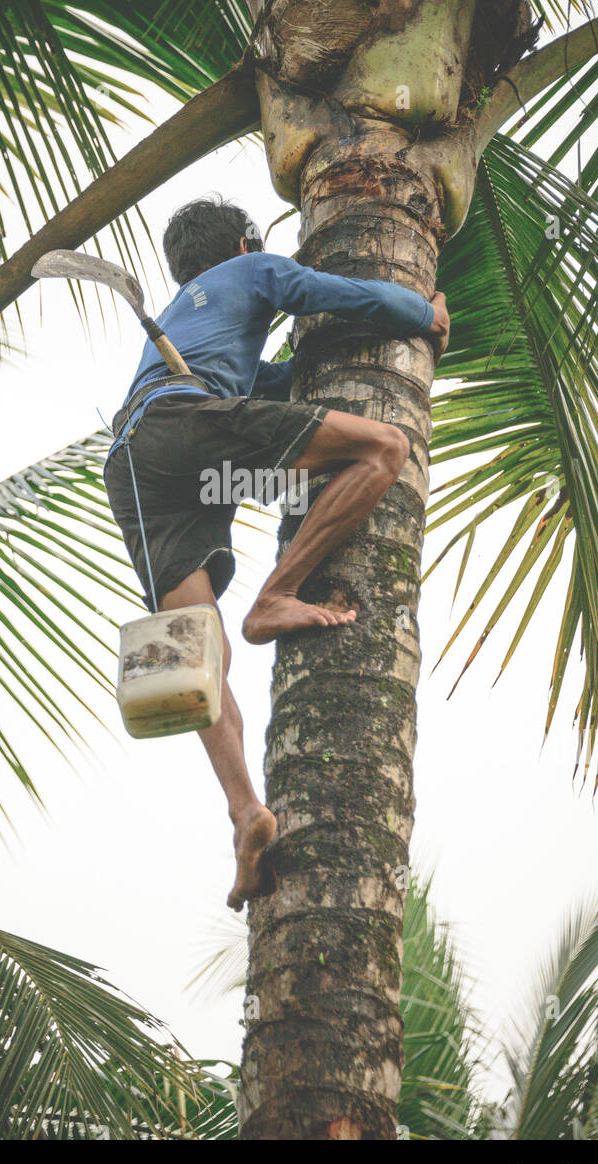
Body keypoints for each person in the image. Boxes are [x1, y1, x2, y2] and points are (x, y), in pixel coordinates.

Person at [103, 196, 449, 909]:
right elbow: (339, 295)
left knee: (197, 658)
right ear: (242, 243)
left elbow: (273, 384)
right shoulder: (252, 269)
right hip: (185, 426)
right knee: (384, 446)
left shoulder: (179, 318)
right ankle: (276, 596)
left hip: (135, 461)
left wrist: (293, 369)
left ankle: (244, 814)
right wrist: (423, 315)